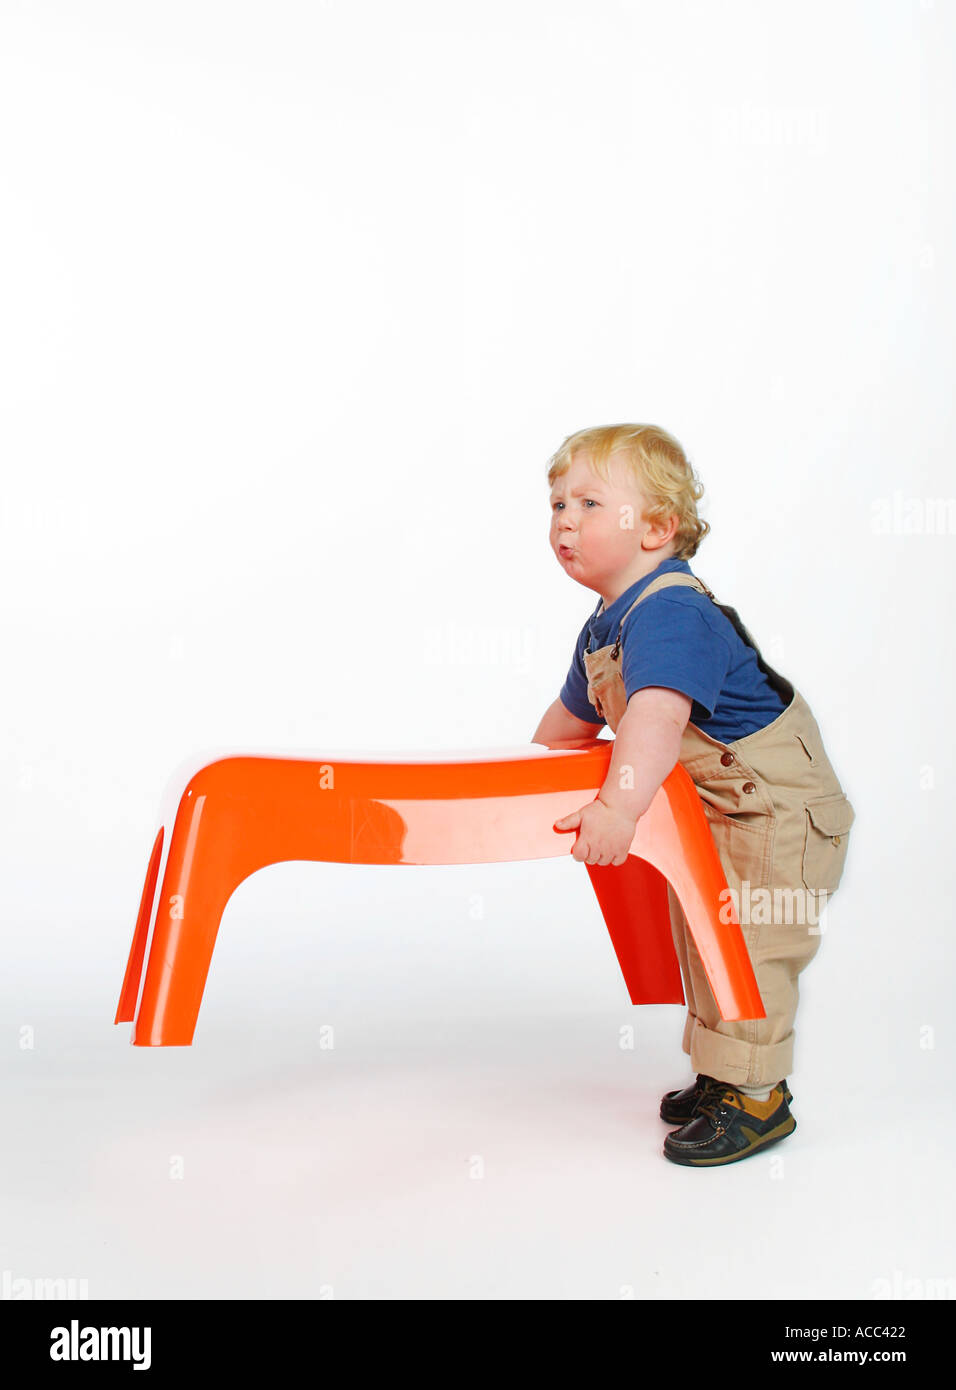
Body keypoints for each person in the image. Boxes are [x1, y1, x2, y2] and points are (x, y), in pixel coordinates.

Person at [531, 423, 854, 1167]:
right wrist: (514, 785)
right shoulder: (604, 627)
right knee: (706, 942)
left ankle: (761, 1099)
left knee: (750, 948)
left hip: (779, 814)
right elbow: (566, 728)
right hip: (723, 814)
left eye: (587, 502)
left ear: (657, 528)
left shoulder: (672, 613)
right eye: (555, 505)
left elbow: (655, 717)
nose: (564, 521)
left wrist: (617, 808)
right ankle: (723, 1076)